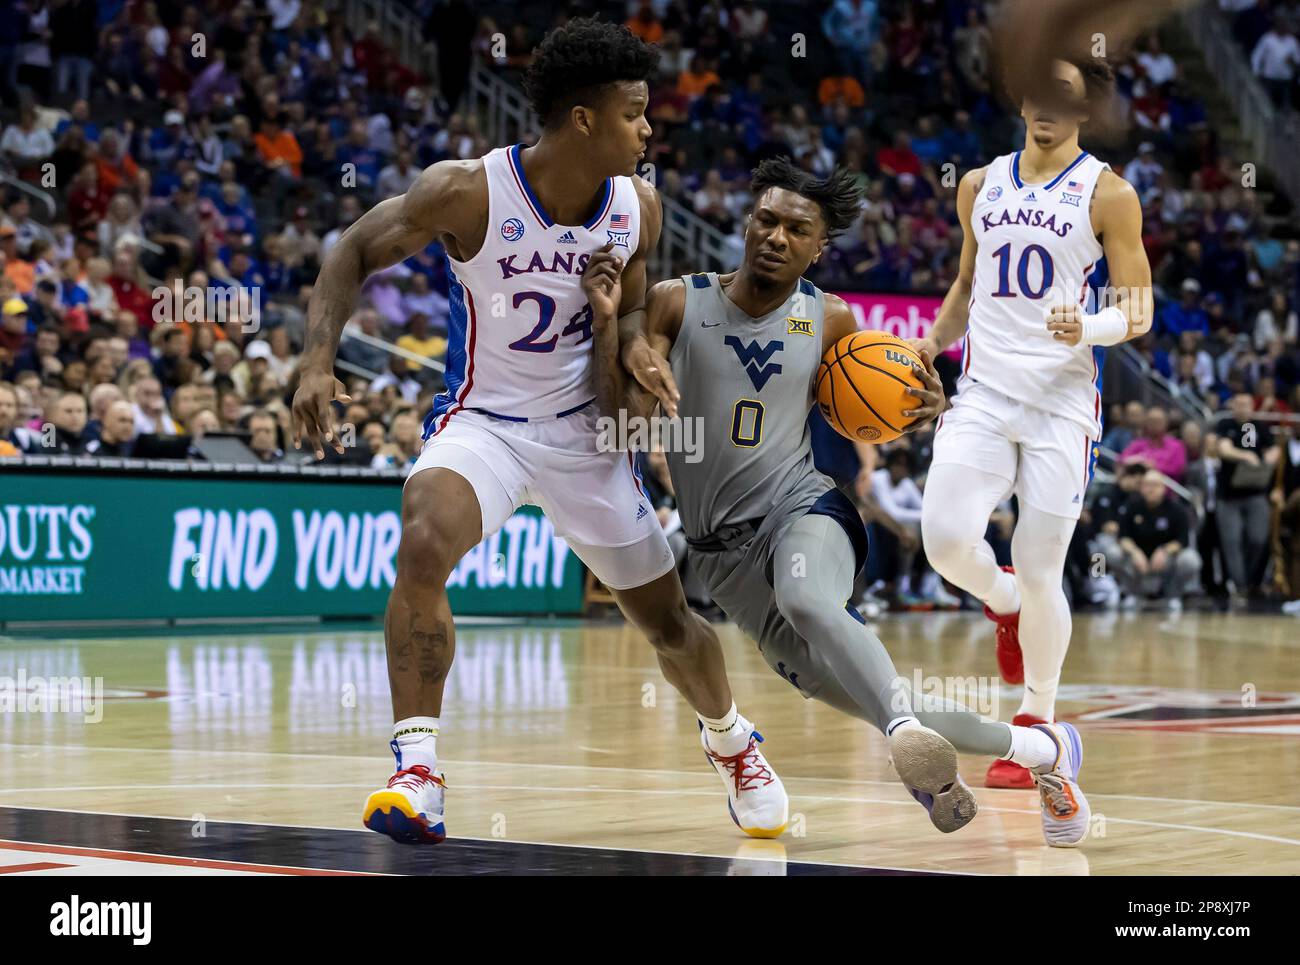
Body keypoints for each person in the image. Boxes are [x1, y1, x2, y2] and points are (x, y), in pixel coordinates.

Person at [290, 18, 788, 846]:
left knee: (668, 622)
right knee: (422, 539)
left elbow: (625, 342)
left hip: (587, 438)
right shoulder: (466, 190)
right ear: (585, 119)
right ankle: (418, 772)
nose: (648, 127)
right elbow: (352, 249)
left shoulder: (639, 211)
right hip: (485, 421)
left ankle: (733, 742)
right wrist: (315, 362)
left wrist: (632, 349)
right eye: (635, 112)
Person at [614, 158, 1091, 847]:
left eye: (796, 228)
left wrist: (921, 405)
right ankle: (1047, 752)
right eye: (767, 220)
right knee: (869, 693)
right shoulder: (675, 300)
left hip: (803, 512)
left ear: (819, 246)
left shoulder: (829, 316)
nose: (776, 236)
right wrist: (634, 361)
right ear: (747, 223)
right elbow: (633, 400)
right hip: (722, 560)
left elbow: (882, 394)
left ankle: (905, 741)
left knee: (815, 606)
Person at [915, 57, 1154, 789]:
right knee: (946, 541)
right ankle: (1003, 598)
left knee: (1046, 563)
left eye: (1067, 97)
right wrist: (928, 344)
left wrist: (1088, 324)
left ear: (1086, 110)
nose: (1048, 108)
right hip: (984, 391)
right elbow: (964, 285)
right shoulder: (977, 186)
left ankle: (1036, 721)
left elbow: (1138, 308)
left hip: (1060, 404)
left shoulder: (1110, 193)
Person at [1216, 392, 1279, 605]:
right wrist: (1246, 456)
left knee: (1258, 539)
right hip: (1229, 496)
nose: (1242, 408)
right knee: (1231, 541)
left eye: (1246, 404)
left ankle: (1253, 582)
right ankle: (1239, 585)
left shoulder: (1260, 427)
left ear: (1253, 406)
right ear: (1233, 405)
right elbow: (1223, 449)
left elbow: (1274, 450)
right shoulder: (1225, 424)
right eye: (1239, 404)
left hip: (1256, 493)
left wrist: (1266, 461)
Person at [1116, 470, 1201, 608]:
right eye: (1146, 485)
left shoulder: (1176, 509)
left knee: (1191, 559)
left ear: (1163, 488)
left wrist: (1164, 551)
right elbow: (1123, 537)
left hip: (1165, 559)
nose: (1150, 489)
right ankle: (1132, 593)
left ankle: (1173, 595)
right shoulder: (1131, 506)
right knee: (1106, 553)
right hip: (1137, 558)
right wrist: (1134, 552)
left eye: (1154, 485)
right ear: (1141, 487)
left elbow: (1182, 540)